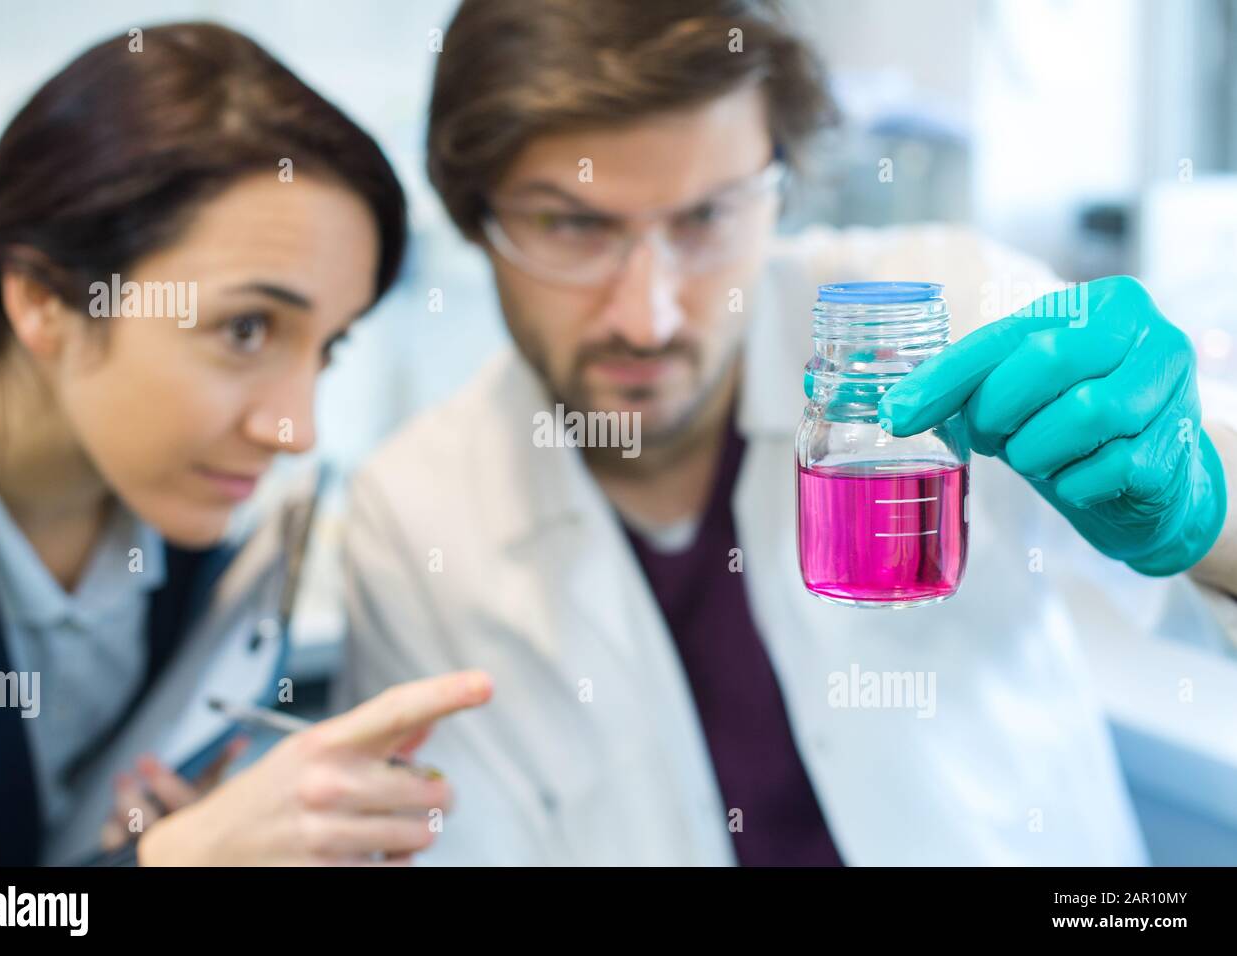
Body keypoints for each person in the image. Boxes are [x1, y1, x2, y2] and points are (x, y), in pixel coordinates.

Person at [336, 0, 1237, 864]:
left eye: (707, 216)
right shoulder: (414, 521)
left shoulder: (943, 318)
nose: (648, 317)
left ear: (781, 188)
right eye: (573, 225)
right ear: (474, 216)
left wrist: (1202, 501)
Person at [0, 22, 491, 867]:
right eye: (245, 329)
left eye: (327, 347)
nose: (296, 430)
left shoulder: (198, 529)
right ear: (45, 303)